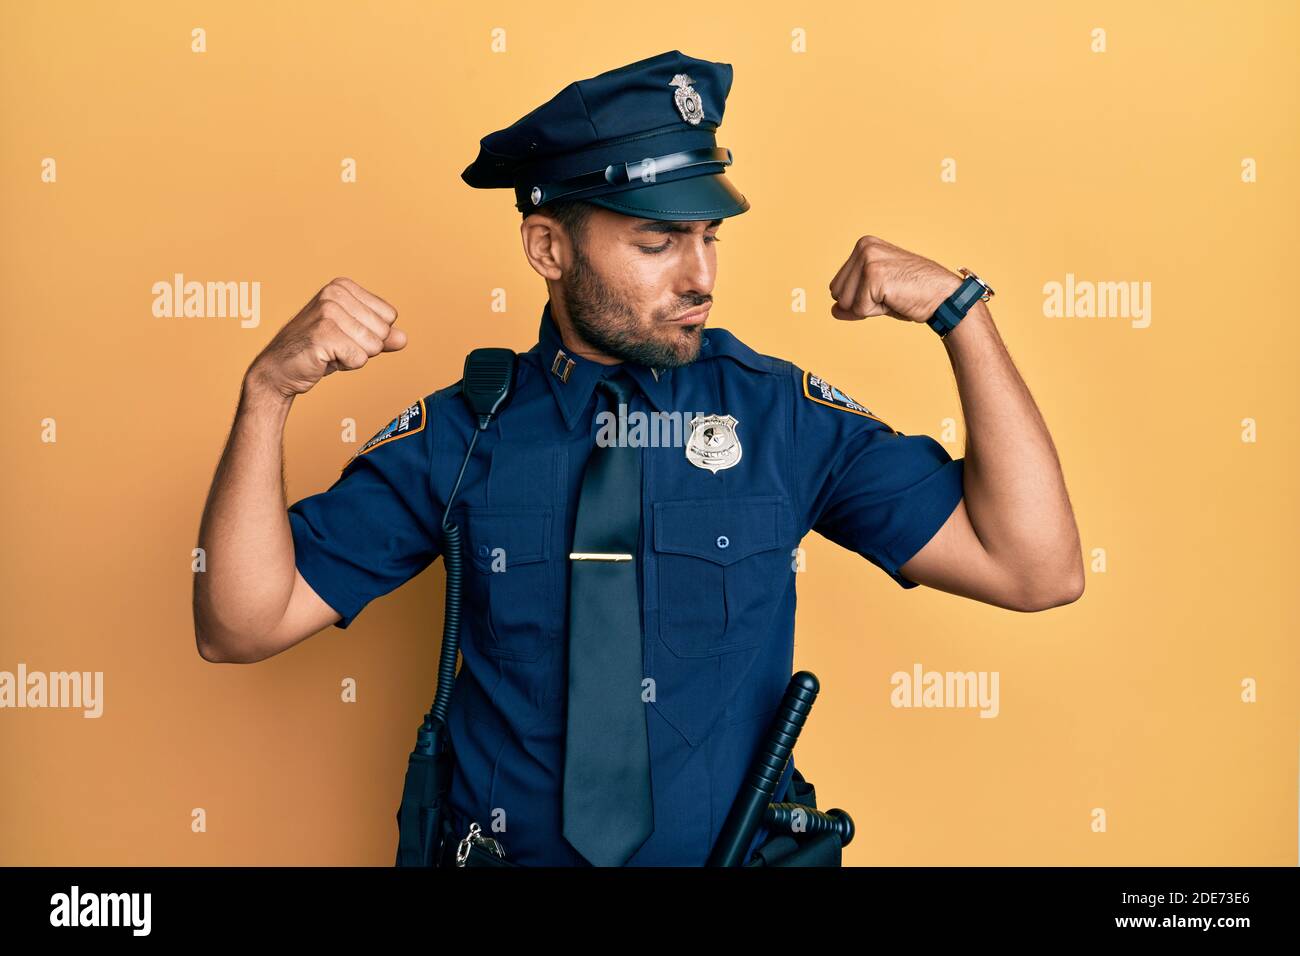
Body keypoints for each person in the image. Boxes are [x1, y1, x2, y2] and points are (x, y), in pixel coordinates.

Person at [192, 50, 1084, 867]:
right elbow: (242, 622)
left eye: (709, 236)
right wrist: (266, 394)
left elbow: (1034, 566)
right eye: (657, 243)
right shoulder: (462, 434)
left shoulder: (778, 418)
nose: (700, 276)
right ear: (548, 247)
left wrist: (962, 313)